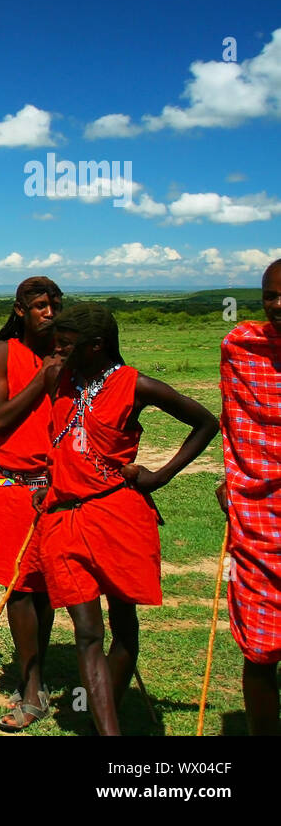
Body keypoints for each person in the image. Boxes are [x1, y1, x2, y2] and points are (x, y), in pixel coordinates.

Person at [35, 303, 217, 735]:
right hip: (63, 517)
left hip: (117, 514)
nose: (56, 355)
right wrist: (51, 477)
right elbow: (62, 438)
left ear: (96, 346)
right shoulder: (60, 379)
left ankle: (104, 715)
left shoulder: (136, 386)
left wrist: (159, 477)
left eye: (65, 346)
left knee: (123, 626)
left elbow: (206, 423)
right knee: (86, 631)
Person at [0, 276, 62, 731]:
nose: (48, 312)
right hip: (11, 485)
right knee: (19, 587)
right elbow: (0, 417)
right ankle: (31, 688)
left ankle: (38, 675)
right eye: (39, 306)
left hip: (56, 485)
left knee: (47, 586)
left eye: (54, 304)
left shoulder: (68, 353)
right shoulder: (3, 353)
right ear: (19, 311)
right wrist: (42, 378)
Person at [217, 259, 281, 735]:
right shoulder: (244, 349)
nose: (277, 306)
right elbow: (238, 429)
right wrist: (234, 479)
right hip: (259, 518)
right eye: (270, 296)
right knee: (260, 651)